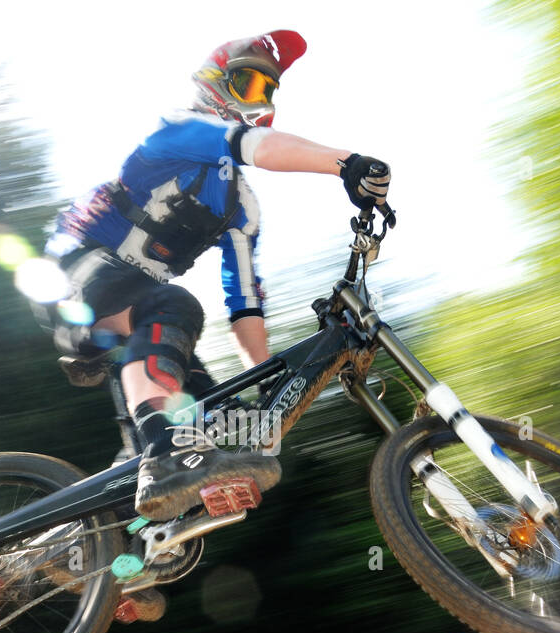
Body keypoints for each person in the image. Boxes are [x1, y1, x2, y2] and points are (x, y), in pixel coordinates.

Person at [44, 29, 391, 525]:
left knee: (204, 416)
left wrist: (271, 377)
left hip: (132, 305)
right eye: (246, 83)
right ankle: (162, 457)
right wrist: (345, 164)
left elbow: (245, 302)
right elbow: (260, 146)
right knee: (176, 307)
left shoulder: (240, 207)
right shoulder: (176, 130)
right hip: (77, 273)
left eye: (265, 92)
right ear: (213, 82)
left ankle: (107, 550)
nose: (255, 100)